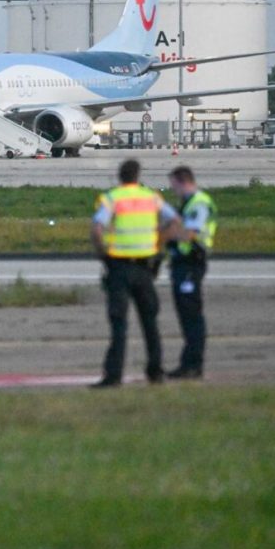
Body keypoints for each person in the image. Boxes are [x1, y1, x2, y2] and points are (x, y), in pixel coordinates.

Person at [89, 158, 180, 388]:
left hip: (118, 266)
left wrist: (103, 253)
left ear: (119, 176)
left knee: (119, 323)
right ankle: (155, 372)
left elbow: (97, 228)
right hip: (144, 268)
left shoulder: (113, 198)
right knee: (150, 322)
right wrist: (158, 244)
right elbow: (175, 221)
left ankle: (113, 376)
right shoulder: (151, 198)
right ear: (138, 176)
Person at [166, 166, 217, 379]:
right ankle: (189, 362)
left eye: (174, 185)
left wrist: (169, 231)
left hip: (191, 264)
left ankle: (193, 364)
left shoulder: (199, 203)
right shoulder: (188, 204)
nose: (173, 189)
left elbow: (189, 234)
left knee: (192, 314)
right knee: (186, 315)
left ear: (182, 181)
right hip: (182, 264)